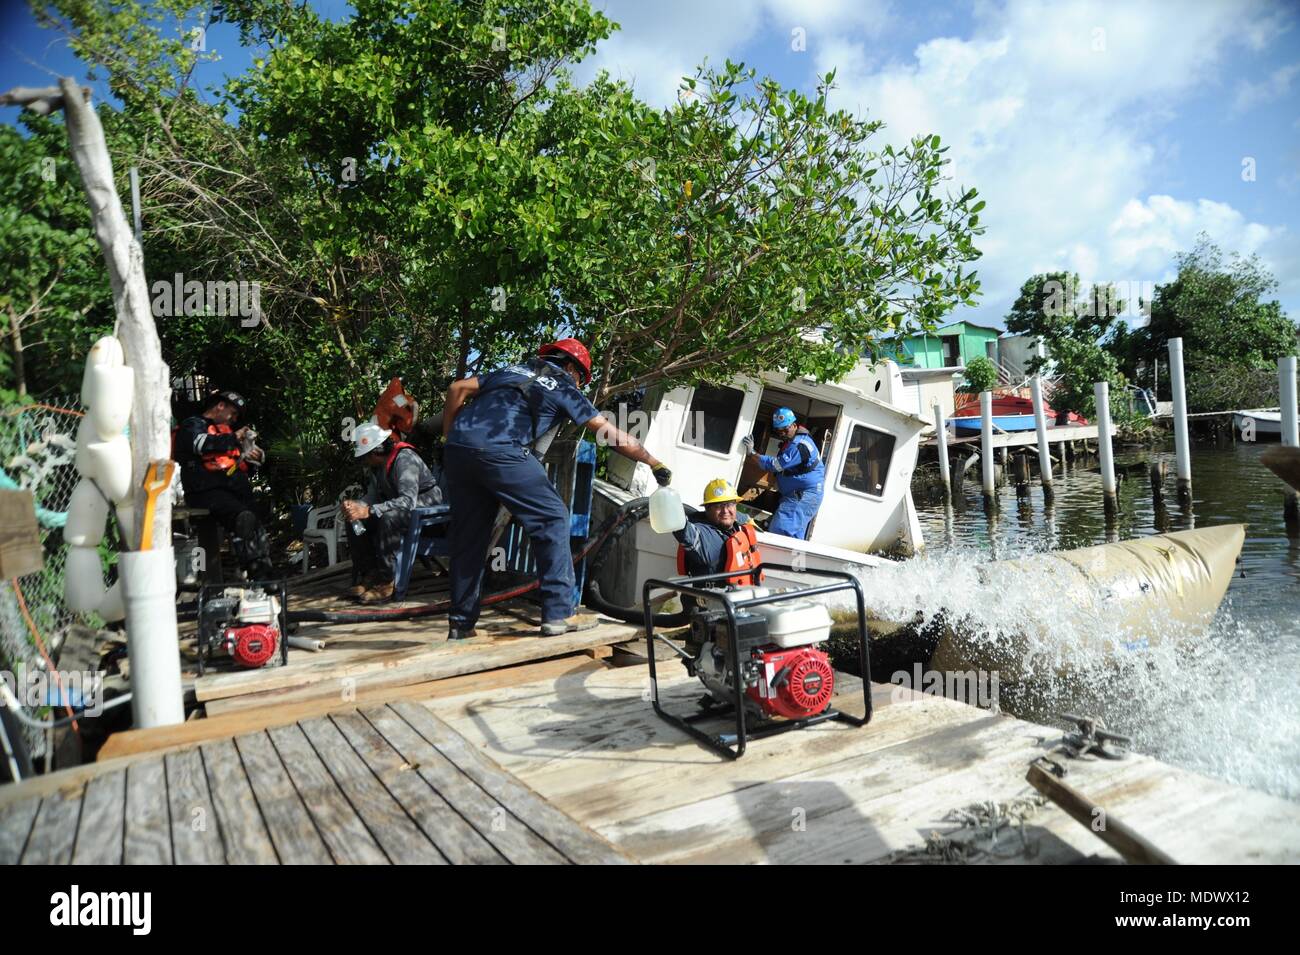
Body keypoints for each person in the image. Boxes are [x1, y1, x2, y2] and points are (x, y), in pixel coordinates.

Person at [442, 337, 671, 639]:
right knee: (552, 518)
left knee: (470, 538)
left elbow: (456, 389)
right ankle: (559, 614)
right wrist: (654, 462)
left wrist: (450, 437)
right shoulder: (565, 388)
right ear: (570, 368)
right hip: (503, 452)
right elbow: (612, 436)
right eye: (580, 378)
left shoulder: (510, 371)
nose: (579, 384)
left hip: (458, 451)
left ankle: (461, 625)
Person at [340, 421, 445, 603]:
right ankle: (370, 572)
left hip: (425, 510)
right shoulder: (377, 468)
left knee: (388, 518)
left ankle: (388, 579)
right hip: (402, 508)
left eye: (366, 456)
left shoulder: (405, 459)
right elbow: (374, 495)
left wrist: (370, 510)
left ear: (376, 451)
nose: (364, 460)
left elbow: (407, 500)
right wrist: (357, 506)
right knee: (354, 519)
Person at [175, 389, 272, 579]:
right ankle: (254, 571)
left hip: (234, 491)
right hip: (205, 492)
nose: (234, 419)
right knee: (242, 517)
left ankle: (263, 572)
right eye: (233, 413)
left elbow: (243, 461)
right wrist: (234, 438)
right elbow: (200, 444)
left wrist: (256, 456)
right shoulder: (192, 425)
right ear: (220, 405)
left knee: (253, 517)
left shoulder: (228, 432)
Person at [740, 407, 825, 540]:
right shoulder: (796, 441)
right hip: (801, 495)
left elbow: (776, 465)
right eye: (780, 431)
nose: (783, 433)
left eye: (786, 429)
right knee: (794, 536)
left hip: (803, 495)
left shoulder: (799, 445)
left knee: (780, 530)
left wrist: (752, 454)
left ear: (794, 425)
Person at [673, 478, 763, 584]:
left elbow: (737, 515)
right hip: (714, 598)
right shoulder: (703, 535)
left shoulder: (734, 522)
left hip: (744, 594)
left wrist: (748, 519)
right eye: (718, 506)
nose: (725, 511)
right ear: (707, 509)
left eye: (729, 504)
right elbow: (684, 532)